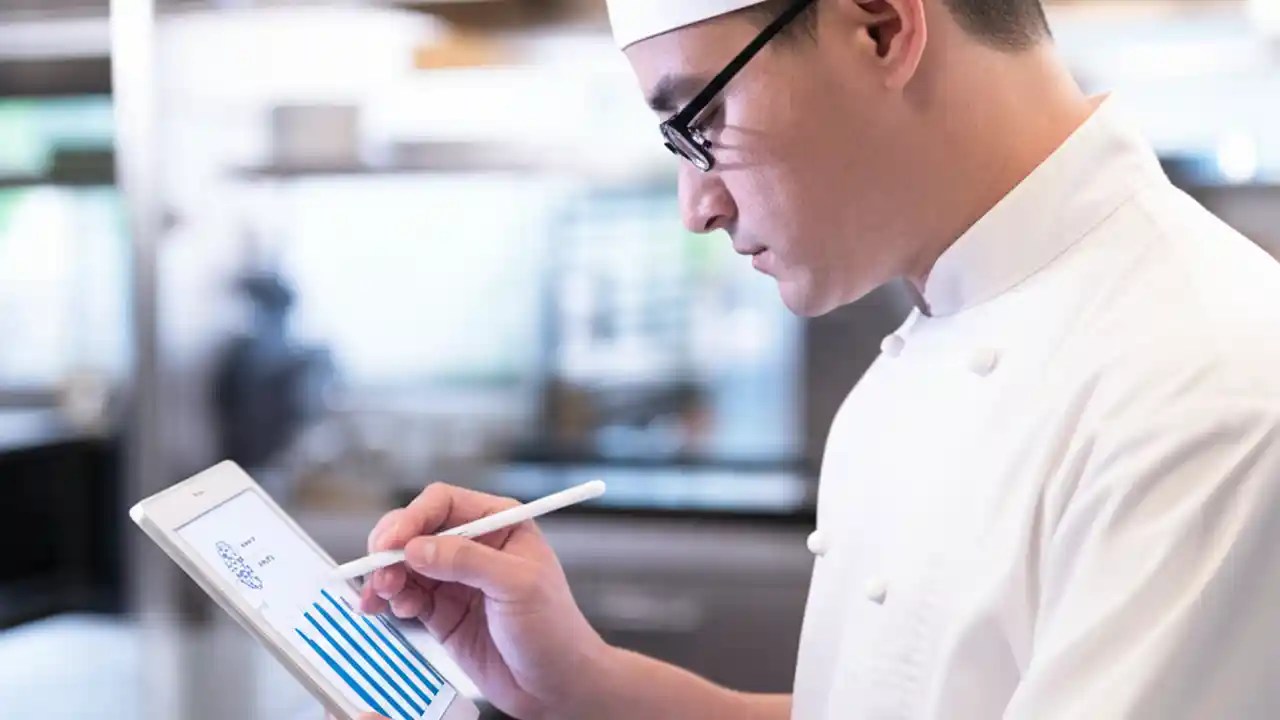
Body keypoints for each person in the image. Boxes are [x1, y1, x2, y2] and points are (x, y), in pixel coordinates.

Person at [355, 0, 1280, 717]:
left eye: (700, 122)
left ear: (880, 27)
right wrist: (585, 689)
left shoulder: (1210, 392)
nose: (697, 205)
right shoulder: (906, 367)